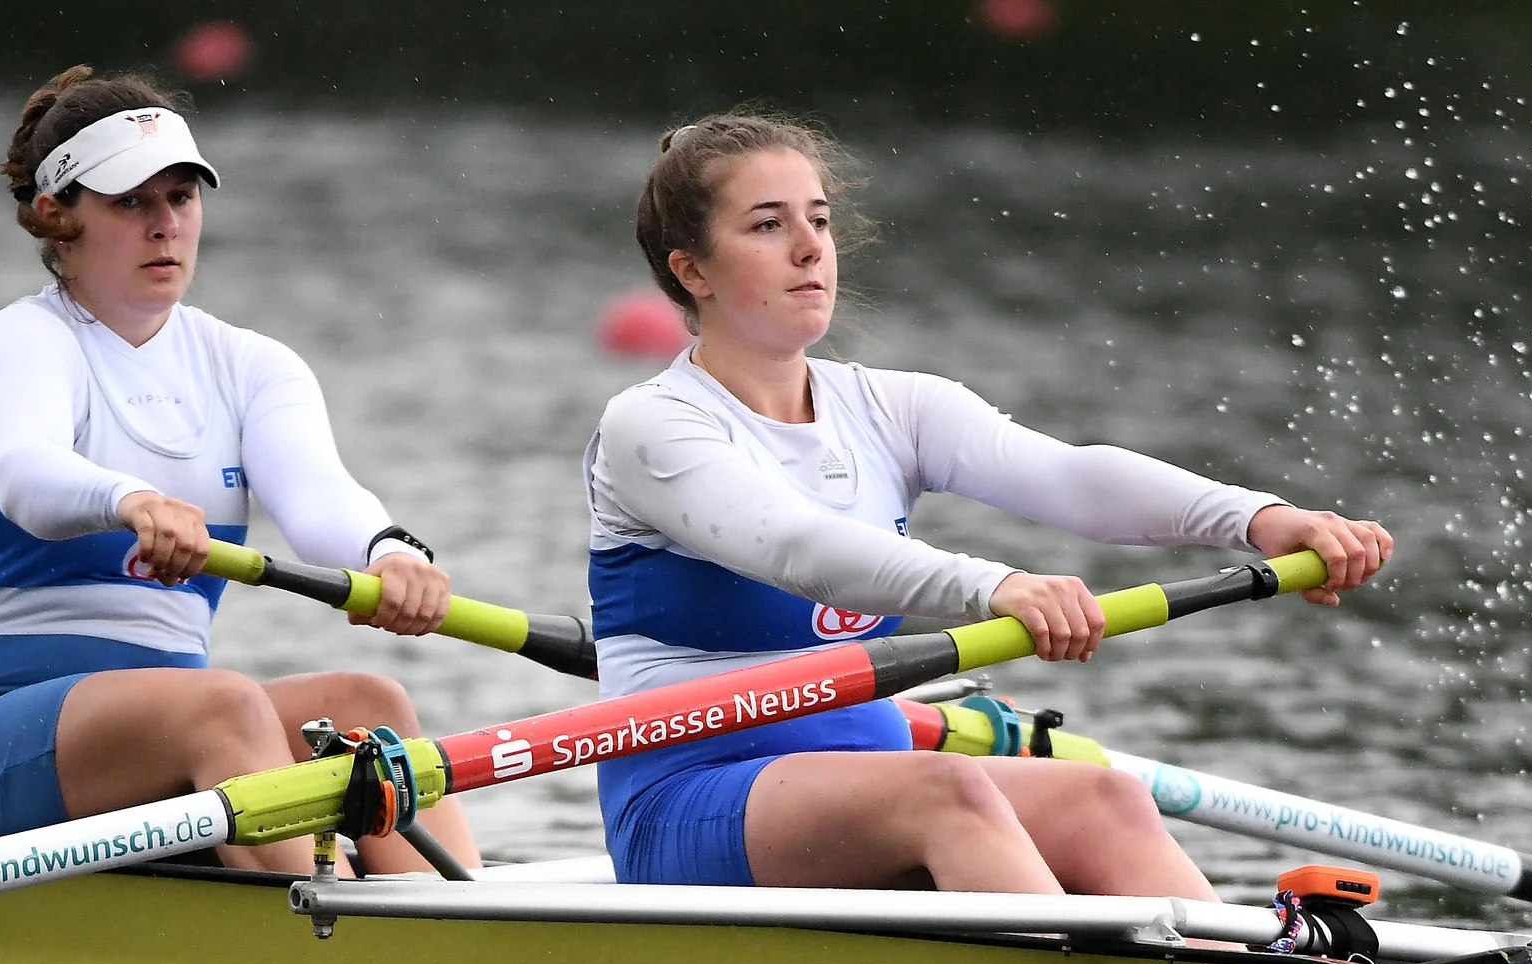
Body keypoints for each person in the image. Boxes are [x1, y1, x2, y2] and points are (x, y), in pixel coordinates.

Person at [586, 113, 1392, 897]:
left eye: (820, 220)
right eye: (767, 225)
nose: (810, 248)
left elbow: (1074, 478)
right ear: (692, 270)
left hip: (875, 775)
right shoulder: (653, 423)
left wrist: (1260, 518)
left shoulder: (892, 406)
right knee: (951, 794)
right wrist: (994, 587)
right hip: (690, 793)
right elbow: (798, 548)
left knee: (1103, 797)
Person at [0, 66, 475, 874]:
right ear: (59, 215)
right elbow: (27, 477)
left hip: (165, 737)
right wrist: (130, 500)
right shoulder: (24, 341)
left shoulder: (248, 365)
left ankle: (463, 930)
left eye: (182, 197)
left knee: (367, 707)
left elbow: (319, 500)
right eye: (131, 201)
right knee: (225, 702)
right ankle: (337, 944)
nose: (165, 224)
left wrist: (390, 554)